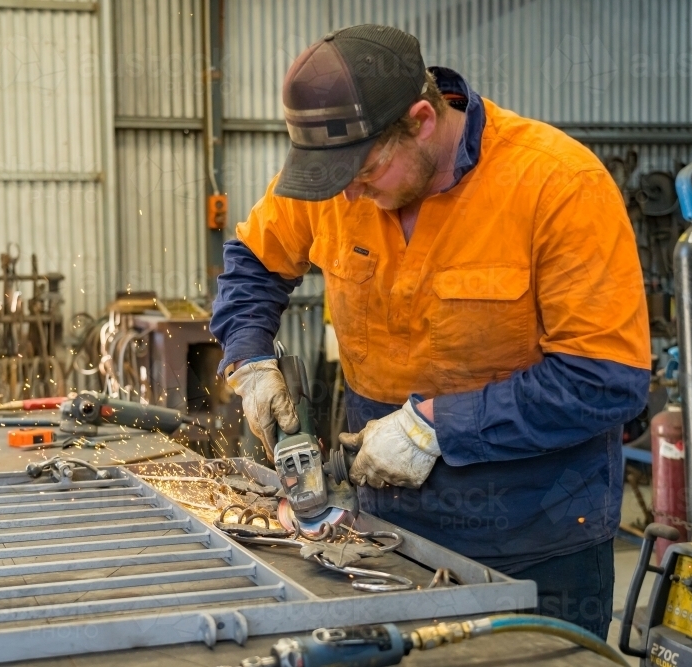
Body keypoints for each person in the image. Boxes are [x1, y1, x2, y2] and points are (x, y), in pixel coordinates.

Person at [210, 24, 650, 638]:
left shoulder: (557, 183)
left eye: (364, 174)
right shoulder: (342, 176)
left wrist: (435, 425)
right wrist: (251, 360)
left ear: (420, 120)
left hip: (537, 534)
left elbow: (605, 382)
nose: (352, 192)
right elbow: (255, 263)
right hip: (381, 529)